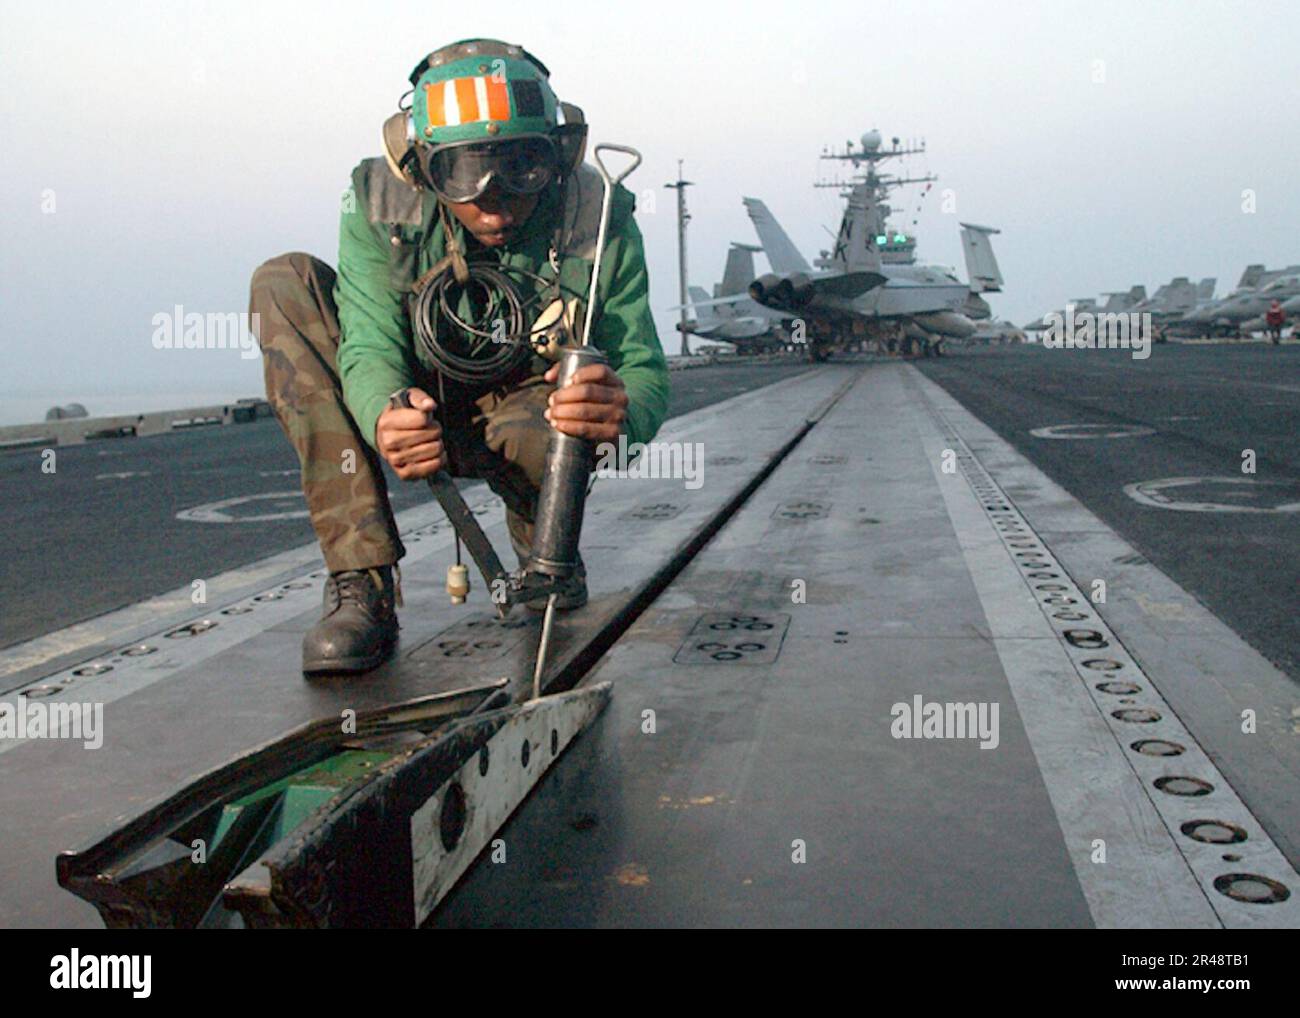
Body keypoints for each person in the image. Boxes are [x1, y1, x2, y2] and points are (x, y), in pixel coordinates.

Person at [249, 39, 668, 675]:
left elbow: (640, 362)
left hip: (528, 413)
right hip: (421, 409)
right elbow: (366, 345)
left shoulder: (597, 213)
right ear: (422, 169)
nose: (494, 201)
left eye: (521, 168)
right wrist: (385, 414)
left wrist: (619, 414)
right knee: (283, 283)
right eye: (462, 175)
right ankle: (363, 582)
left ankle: (547, 544)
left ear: (557, 157)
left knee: (548, 425)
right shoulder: (379, 204)